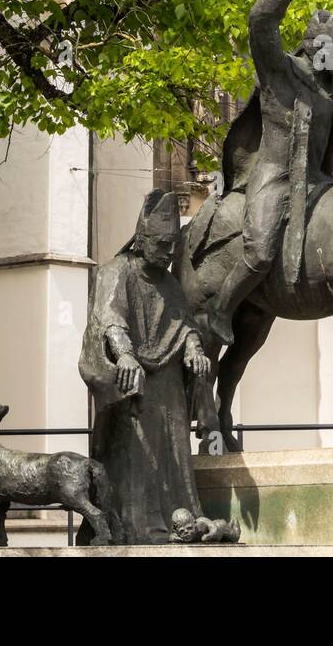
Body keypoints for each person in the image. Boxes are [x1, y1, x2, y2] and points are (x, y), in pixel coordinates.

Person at [201, 0, 333, 344]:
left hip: (322, 186)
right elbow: (260, 17)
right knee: (258, 252)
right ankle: (221, 308)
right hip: (274, 180)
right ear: (313, 46)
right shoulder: (281, 73)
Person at [79, 191, 217, 544]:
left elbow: (183, 324)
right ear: (142, 239)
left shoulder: (169, 283)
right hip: (132, 381)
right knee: (137, 456)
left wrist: (194, 349)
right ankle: (135, 527)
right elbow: (110, 318)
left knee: (174, 450)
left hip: (167, 380)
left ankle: (181, 520)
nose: (170, 252)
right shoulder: (115, 271)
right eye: (162, 243)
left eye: (173, 245)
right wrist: (124, 354)